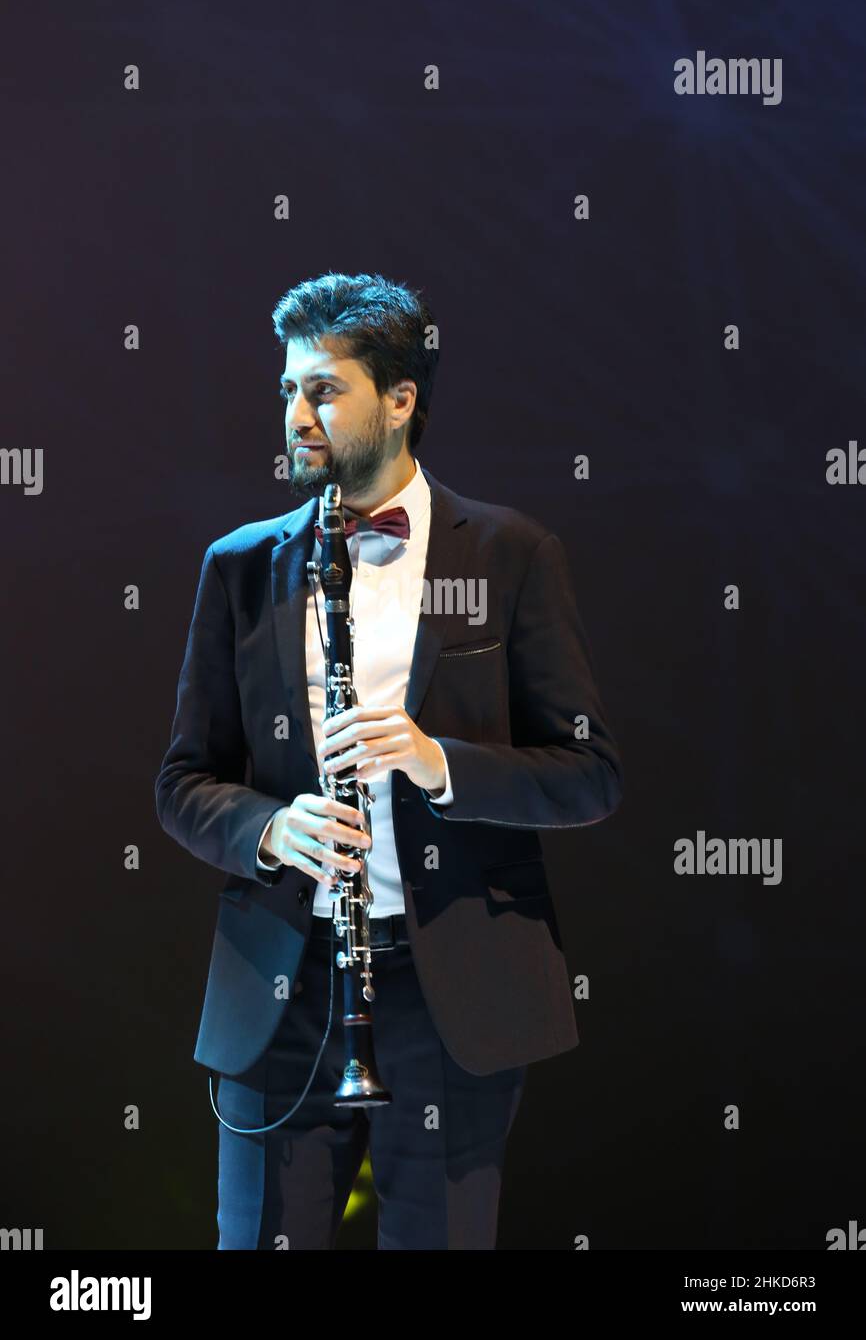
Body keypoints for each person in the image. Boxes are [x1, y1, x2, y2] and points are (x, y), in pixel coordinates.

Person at [155, 271, 623, 1250]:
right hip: (281, 990)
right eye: (288, 389)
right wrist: (269, 827)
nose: (296, 413)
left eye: (323, 390)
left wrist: (439, 762)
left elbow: (588, 776)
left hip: (446, 991)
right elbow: (183, 782)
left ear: (399, 400)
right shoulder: (237, 565)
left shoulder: (509, 553)